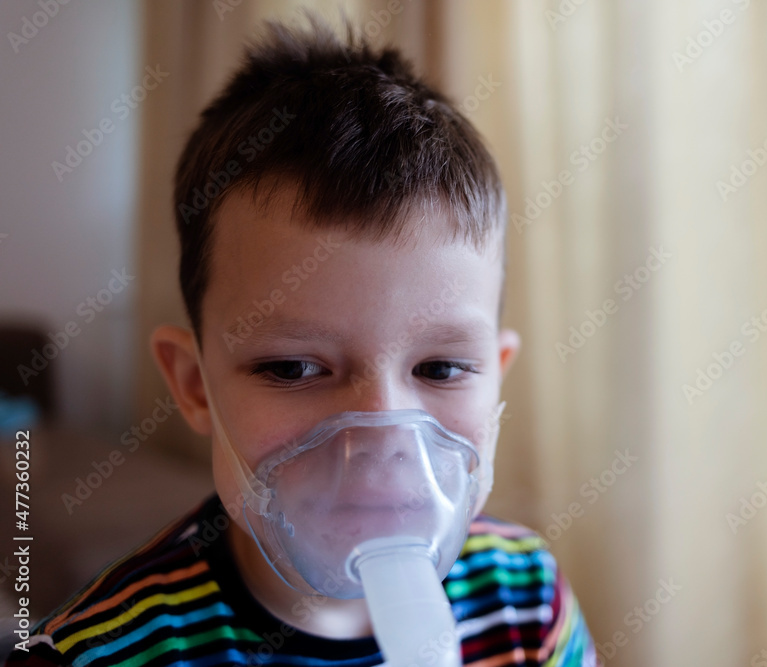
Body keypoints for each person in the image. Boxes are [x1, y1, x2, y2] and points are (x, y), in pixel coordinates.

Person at [8, 14, 595, 667]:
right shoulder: (95, 654)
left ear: (498, 374)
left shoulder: (527, 600)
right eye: (292, 367)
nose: (380, 436)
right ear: (195, 384)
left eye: (441, 366)